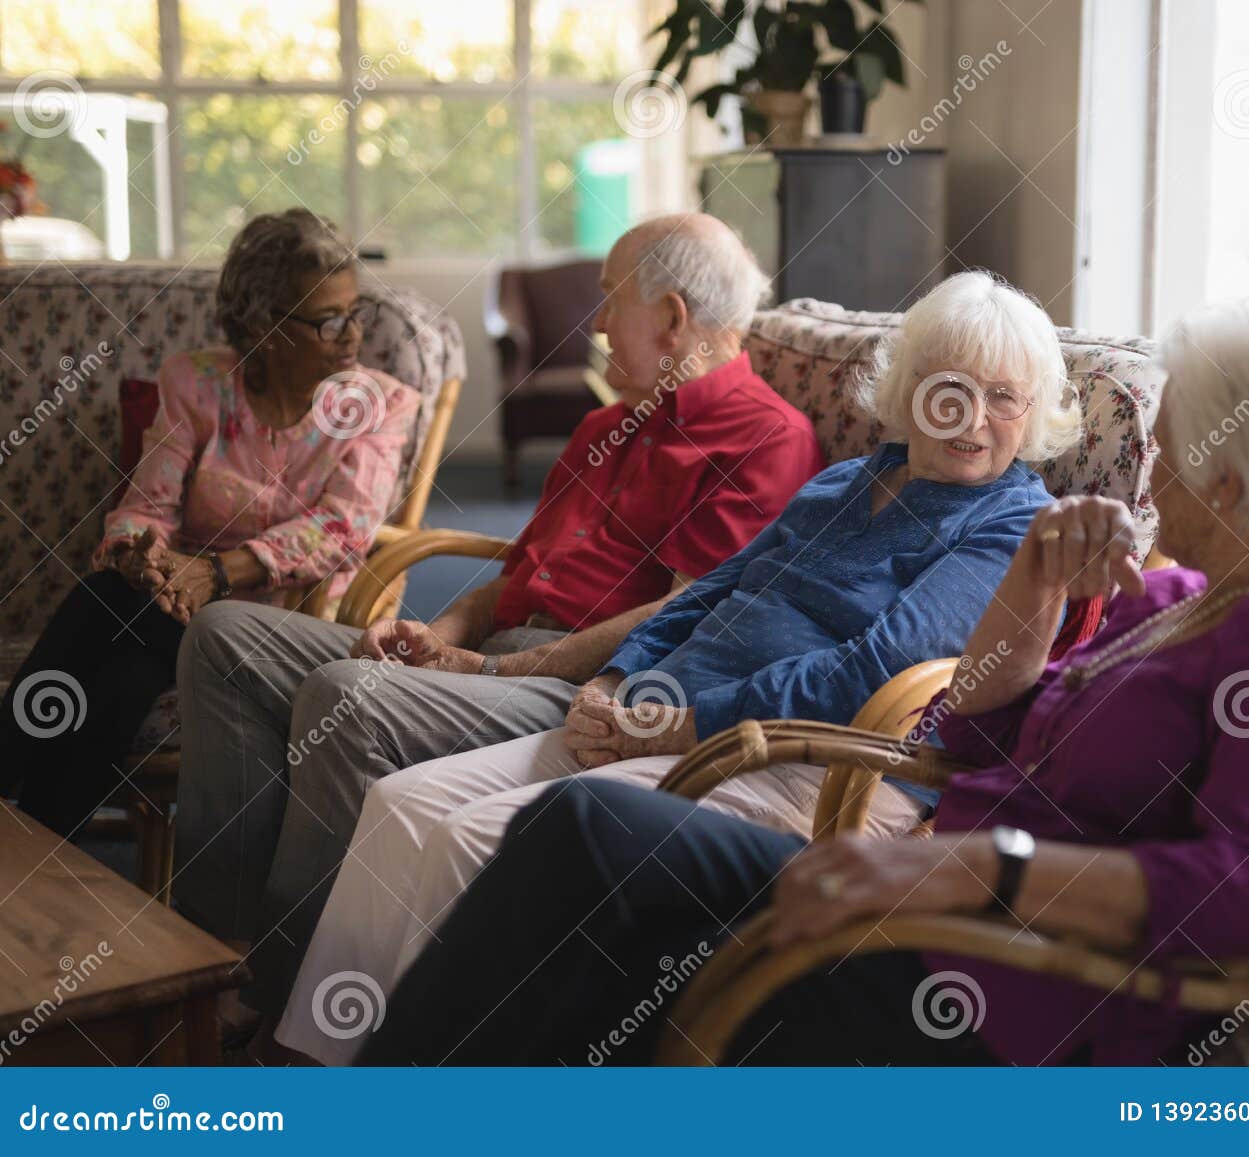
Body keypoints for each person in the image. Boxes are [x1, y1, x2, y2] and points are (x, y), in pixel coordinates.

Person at [357, 297, 1249, 1067]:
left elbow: (1246, 895)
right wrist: (1037, 575)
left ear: (1226, 476)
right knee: (580, 842)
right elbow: (982, 727)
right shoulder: (1179, 596)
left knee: (595, 868)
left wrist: (980, 869)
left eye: (1164, 452)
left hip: (996, 977)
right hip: (923, 886)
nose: (1148, 475)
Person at [279, 269, 1080, 1064]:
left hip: (799, 763)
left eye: (1004, 397)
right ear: (910, 390)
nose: (972, 418)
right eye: (950, 388)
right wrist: (615, 680)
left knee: (476, 837)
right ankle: (316, 1061)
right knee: (403, 802)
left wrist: (680, 718)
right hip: (660, 722)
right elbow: (712, 588)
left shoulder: (1009, 523)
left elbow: (870, 670)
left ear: (1035, 410)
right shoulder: (848, 481)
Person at [173, 212, 823, 1035]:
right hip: (493, 657)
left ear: (671, 318)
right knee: (228, 634)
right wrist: (439, 631)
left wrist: (489, 670)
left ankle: (278, 994)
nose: (593, 325)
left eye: (610, 301)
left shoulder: (766, 438)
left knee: (352, 694)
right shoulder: (603, 424)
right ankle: (214, 948)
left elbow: (681, 617)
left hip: (580, 687)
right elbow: (514, 575)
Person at [0, 208, 417, 840]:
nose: (352, 335)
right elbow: (148, 503)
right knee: (121, 661)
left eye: (356, 313)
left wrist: (214, 574)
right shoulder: (197, 383)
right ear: (267, 327)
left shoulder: (377, 405)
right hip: (165, 606)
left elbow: (341, 529)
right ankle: (39, 853)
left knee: (106, 614)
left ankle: (19, 826)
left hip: (284, 625)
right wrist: (138, 555)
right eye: (328, 320)